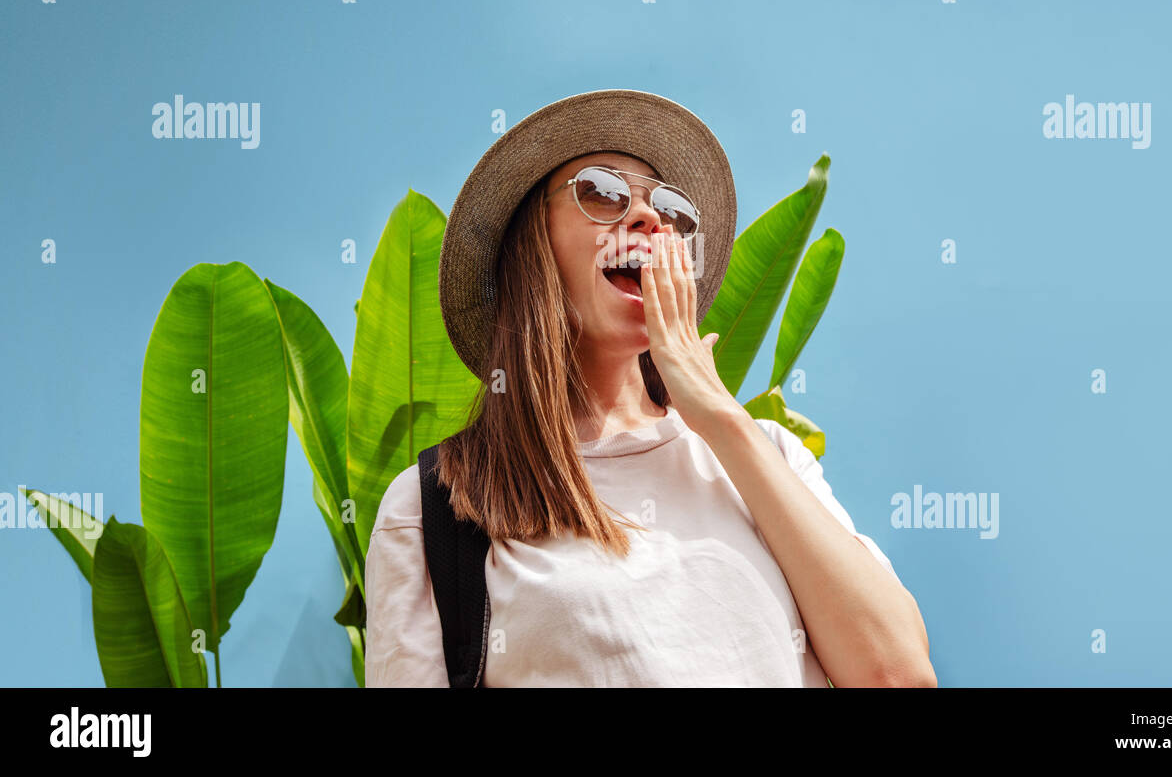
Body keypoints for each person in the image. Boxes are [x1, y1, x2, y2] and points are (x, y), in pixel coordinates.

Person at [364, 89, 936, 687]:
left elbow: (897, 675)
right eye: (603, 192)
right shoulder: (437, 505)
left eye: (667, 206)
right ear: (530, 247)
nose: (648, 218)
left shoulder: (770, 455)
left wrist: (717, 413)